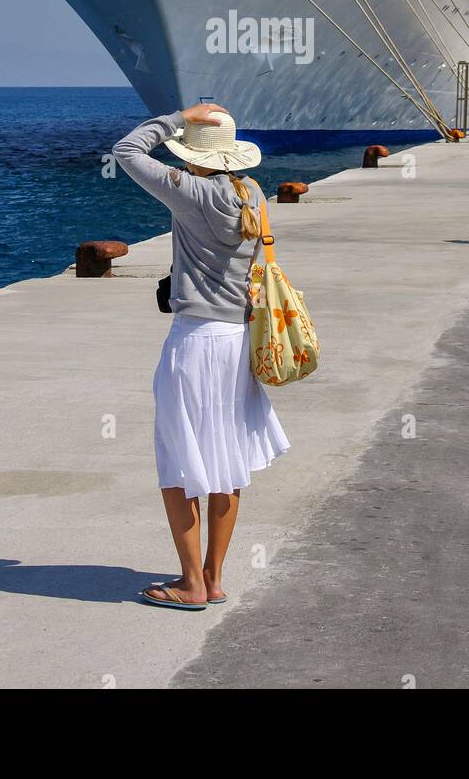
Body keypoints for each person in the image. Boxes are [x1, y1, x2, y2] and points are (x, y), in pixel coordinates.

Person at [112, 102, 289, 610]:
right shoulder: (250, 192)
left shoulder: (189, 191)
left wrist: (176, 116)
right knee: (225, 463)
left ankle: (190, 585)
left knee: (179, 463)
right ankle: (212, 577)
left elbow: (127, 151)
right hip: (237, 341)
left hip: (194, 340)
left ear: (193, 155)